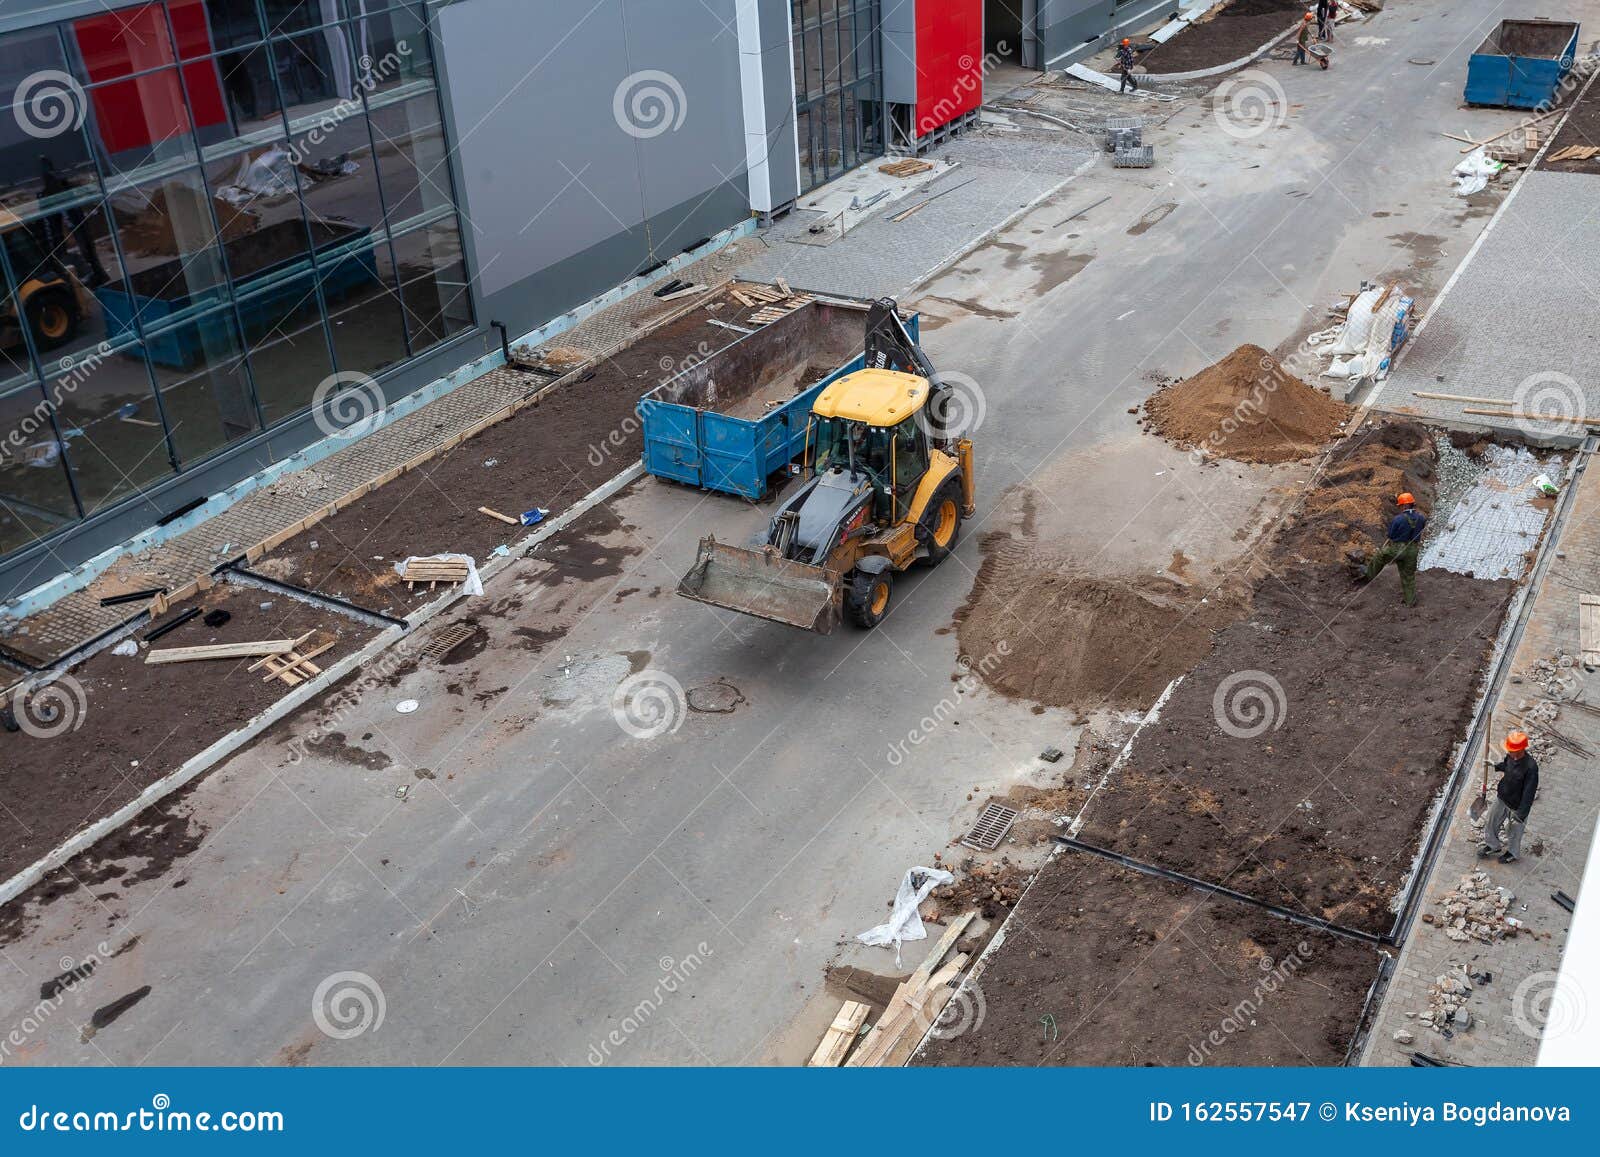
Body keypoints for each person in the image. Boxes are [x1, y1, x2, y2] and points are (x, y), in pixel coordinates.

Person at [1480, 731, 1539, 863]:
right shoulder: (1511, 757)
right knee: (1491, 820)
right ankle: (1492, 845)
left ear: (1521, 749)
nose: (1511, 753)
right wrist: (1494, 765)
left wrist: (1521, 814)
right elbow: (1507, 767)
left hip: (1517, 806)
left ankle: (1512, 853)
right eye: (1510, 751)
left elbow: (1529, 793)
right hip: (1503, 797)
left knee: (1513, 831)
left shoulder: (1531, 767)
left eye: (1513, 751)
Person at [1362, 492, 1426, 605]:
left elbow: (1391, 535)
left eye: (1400, 506)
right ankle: (1410, 601)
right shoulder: (1421, 518)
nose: (1400, 508)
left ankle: (1368, 575)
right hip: (1413, 550)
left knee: (1380, 556)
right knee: (1408, 576)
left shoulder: (1398, 519)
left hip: (1398, 549)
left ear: (1405, 506)